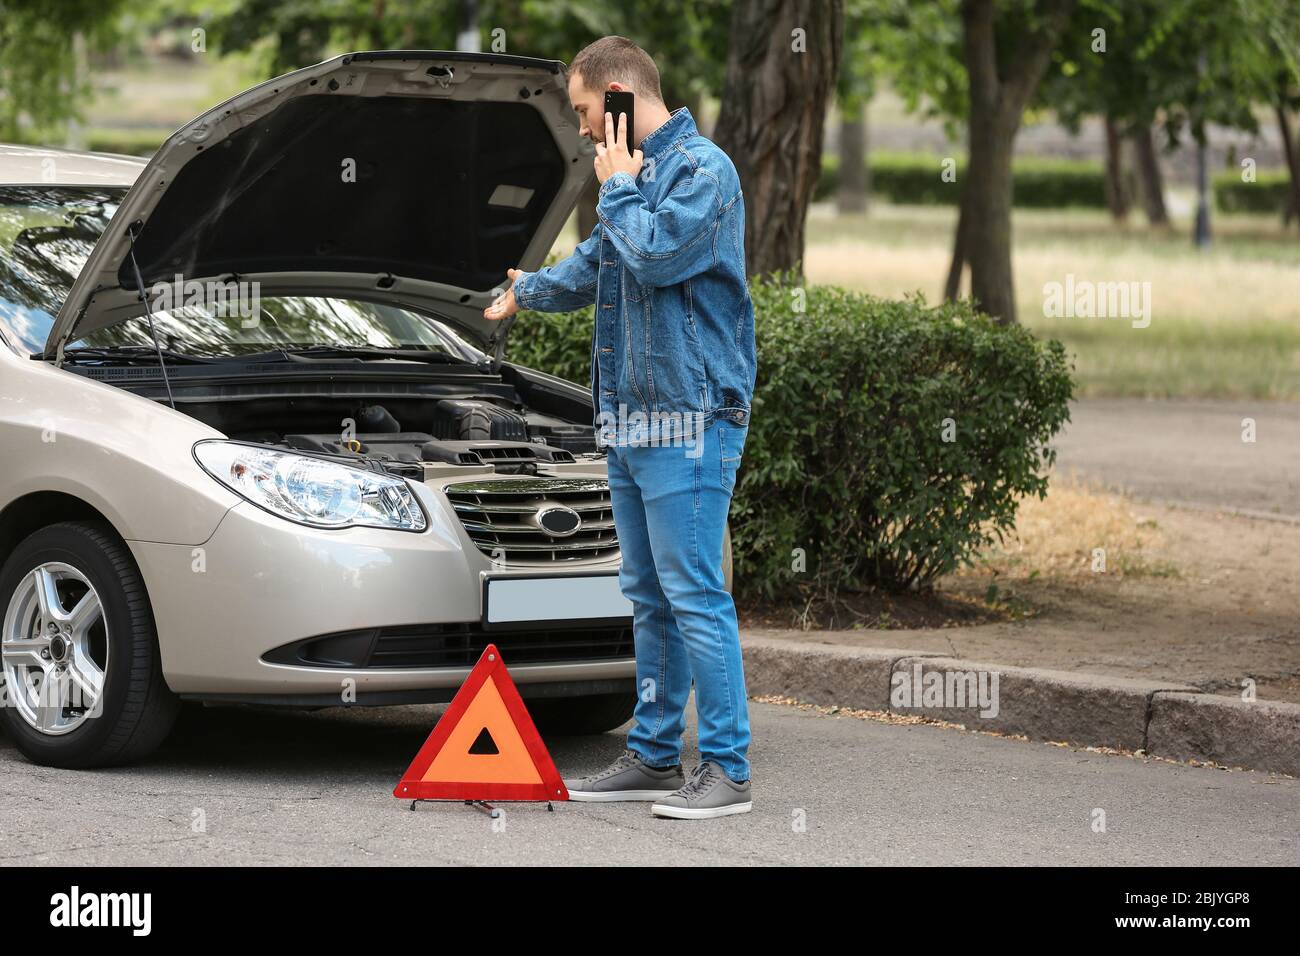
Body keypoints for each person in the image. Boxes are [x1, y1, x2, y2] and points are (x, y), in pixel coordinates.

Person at [484, 36, 757, 820]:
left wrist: (617, 186)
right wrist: (527, 290)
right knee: (649, 594)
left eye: (582, 111)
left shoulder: (704, 173)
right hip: (631, 421)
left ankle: (729, 772)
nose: (580, 130)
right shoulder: (633, 180)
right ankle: (654, 754)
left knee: (695, 593)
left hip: (691, 418)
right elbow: (602, 264)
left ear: (617, 97)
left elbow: (656, 255)